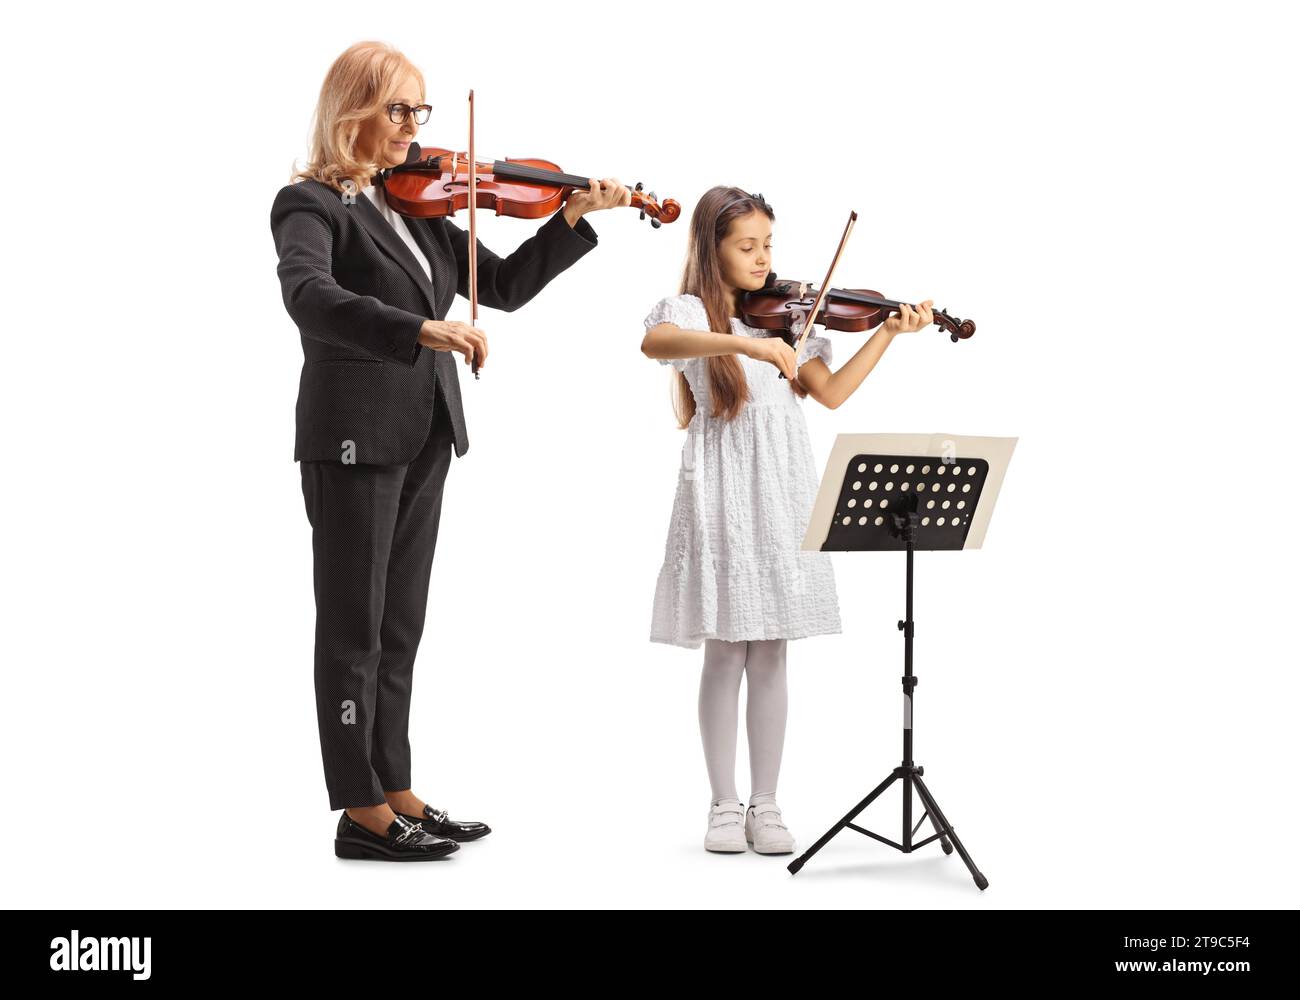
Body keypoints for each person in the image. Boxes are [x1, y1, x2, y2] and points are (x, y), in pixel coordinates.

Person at [270, 40, 630, 861]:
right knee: (352, 628)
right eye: (397, 109)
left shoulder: (418, 206)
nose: (412, 127)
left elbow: (498, 288)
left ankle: (395, 786)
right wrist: (416, 328)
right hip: (354, 435)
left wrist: (569, 220)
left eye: (418, 110)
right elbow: (309, 297)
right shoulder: (309, 204)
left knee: (400, 626)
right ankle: (358, 809)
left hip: (427, 430)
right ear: (352, 109)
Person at [640, 186, 933, 854]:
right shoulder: (690, 312)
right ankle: (723, 803)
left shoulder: (791, 321)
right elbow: (655, 343)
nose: (762, 258)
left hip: (782, 487)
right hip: (721, 487)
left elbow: (829, 393)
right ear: (712, 249)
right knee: (725, 645)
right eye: (746, 246)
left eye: (768, 244)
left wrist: (886, 332)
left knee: (771, 648)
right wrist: (743, 347)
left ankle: (766, 804)